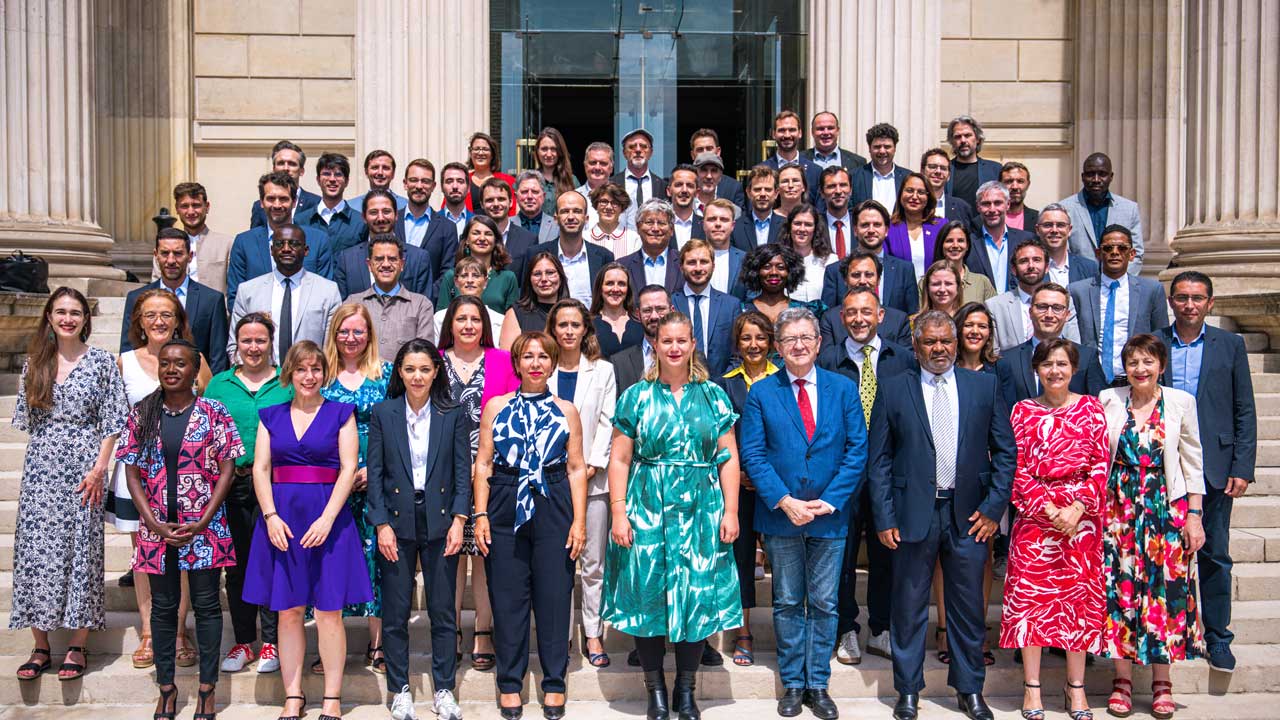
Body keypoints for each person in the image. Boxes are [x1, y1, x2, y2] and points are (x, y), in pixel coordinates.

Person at [868, 310, 1015, 720]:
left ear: (957, 344)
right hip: (912, 514)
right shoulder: (895, 389)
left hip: (968, 515)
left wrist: (993, 508)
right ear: (916, 347)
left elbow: (1006, 453)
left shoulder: (983, 386)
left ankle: (970, 690)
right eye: (929, 342)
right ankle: (908, 691)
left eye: (945, 342)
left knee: (968, 609)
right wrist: (884, 516)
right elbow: (878, 459)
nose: (938, 349)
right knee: (909, 607)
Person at [603, 311, 742, 720]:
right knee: (648, 598)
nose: (675, 348)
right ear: (656, 346)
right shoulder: (637, 396)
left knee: (696, 599)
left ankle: (685, 690)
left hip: (701, 510)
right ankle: (655, 691)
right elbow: (620, 459)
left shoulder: (714, 395)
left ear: (693, 344)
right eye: (667, 341)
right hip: (646, 507)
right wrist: (618, 513)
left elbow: (728, 458)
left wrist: (731, 510)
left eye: (682, 340)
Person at [740, 307, 867, 720]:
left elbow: (856, 451)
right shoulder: (762, 392)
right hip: (782, 515)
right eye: (790, 339)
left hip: (829, 515)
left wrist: (830, 501)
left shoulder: (844, 388)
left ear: (818, 343)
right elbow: (753, 455)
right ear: (778, 347)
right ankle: (793, 683)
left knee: (826, 602)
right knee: (789, 599)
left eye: (805, 338)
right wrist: (784, 500)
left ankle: (818, 683)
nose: (798, 345)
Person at [242, 341, 373, 720]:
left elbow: (349, 469)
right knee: (288, 611)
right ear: (290, 373)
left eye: (316, 369)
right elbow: (260, 469)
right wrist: (269, 516)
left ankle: (332, 696)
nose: (309, 376)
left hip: (328, 520)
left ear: (324, 373)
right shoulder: (271, 415)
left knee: (329, 611)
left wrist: (328, 518)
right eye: (301, 369)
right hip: (282, 521)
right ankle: (293, 695)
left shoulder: (341, 413)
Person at [118, 338, 244, 720]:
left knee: (207, 607)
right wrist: (152, 522)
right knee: (164, 608)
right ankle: (167, 689)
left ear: (194, 370)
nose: (172, 369)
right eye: (166, 363)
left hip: (203, 527)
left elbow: (228, 468)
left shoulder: (213, 411)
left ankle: (207, 690)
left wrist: (205, 517)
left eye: (181, 364)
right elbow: (132, 472)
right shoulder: (144, 412)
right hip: (158, 529)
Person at [11, 288, 127, 682]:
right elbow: (27, 422)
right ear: (49, 316)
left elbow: (114, 420)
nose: (67, 318)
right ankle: (40, 644)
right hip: (41, 469)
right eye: (60, 311)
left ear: (85, 319)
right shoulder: (34, 363)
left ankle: (77, 642)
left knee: (83, 552)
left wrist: (100, 469)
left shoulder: (102, 363)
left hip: (86, 468)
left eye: (75, 312)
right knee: (35, 553)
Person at [472, 332, 588, 719]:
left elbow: (575, 468)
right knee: (508, 597)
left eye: (543, 356)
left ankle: (554, 682)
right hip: (505, 497)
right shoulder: (495, 406)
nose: (535, 363)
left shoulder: (566, 409)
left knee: (555, 597)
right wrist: (481, 514)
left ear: (553, 363)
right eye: (527, 356)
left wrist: (580, 523)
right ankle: (510, 682)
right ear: (517, 363)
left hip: (553, 500)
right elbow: (484, 464)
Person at [1000, 338, 1109, 720]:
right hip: (1035, 519)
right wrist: (1048, 508)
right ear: (1036, 369)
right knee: (1032, 605)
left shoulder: (1092, 409)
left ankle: (1075, 687)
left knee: (1077, 605)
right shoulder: (1022, 411)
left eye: (1062, 364)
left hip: (1081, 522)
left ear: (1074, 368)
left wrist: (1077, 508)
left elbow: (1100, 464)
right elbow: (1013, 465)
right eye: (1047, 364)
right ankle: (1032, 688)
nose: (1055, 371)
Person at [1099, 334, 1206, 719]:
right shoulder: (1108, 400)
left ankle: (1163, 683)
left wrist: (1194, 515)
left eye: (1148, 362)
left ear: (1161, 365)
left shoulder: (1180, 403)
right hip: (1118, 511)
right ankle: (1122, 682)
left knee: (1165, 595)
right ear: (1124, 368)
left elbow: (1193, 462)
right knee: (1121, 593)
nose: (1140, 369)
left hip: (1166, 509)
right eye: (1133, 363)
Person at [366, 339, 473, 720]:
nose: (417, 376)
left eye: (425, 369)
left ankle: (444, 689)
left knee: (443, 612)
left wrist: (460, 521)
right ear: (399, 372)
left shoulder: (453, 412)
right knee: (395, 613)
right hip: (396, 520)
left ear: (436, 372)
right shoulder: (384, 412)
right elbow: (374, 476)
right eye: (410, 369)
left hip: (441, 520)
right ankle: (400, 690)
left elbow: (464, 473)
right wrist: (380, 524)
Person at [1158, 271, 1257, 673]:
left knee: (1214, 554)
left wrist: (1243, 466)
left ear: (1210, 303)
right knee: (1164, 556)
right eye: (1182, 297)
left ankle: (1217, 637)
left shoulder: (1230, 345)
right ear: (1171, 301)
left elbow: (1244, 409)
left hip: (1215, 468)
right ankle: (1172, 631)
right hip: (1163, 467)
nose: (1189, 305)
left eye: (1197, 298)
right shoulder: (1155, 342)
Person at [110, 288, 212, 670]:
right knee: (144, 556)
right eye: (150, 314)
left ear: (177, 320)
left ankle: (181, 632)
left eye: (166, 314)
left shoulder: (195, 362)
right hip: (138, 476)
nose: (158, 321)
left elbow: (210, 409)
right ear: (138, 321)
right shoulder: (123, 363)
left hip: (185, 478)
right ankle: (151, 632)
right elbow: (112, 420)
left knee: (182, 552)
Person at [816, 285, 917, 666]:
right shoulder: (827, 360)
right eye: (851, 313)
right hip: (839, 474)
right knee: (840, 555)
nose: (859, 319)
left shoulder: (903, 359)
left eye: (866, 312)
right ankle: (846, 629)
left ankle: (881, 627)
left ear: (881, 316)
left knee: (886, 551)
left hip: (887, 472)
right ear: (842, 319)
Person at [203, 313, 292, 674]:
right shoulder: (220, 385)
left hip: (278, 485)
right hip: (232, 485)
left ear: (271, 343)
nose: (253, 347)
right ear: (236, 345)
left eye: (260, 340)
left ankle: (271, 641)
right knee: (237, 565)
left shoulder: (287, 384)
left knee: (275, 561)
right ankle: (244, 640)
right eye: (246, 341)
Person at [309, 304, 393, 676]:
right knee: (332, 563)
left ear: (369, 334)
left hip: (378, 479)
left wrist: (371, 470)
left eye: (358, 331)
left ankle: (378, 645)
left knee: (376, 561)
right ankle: (331, 647)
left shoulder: (386, 373)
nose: (351, 338)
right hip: (329, 482)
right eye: (344, 331)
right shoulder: (321, 376)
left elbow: (395, 427)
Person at [439, 296, 521, 672]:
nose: (469, 325)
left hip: (493, 472)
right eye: (462, 319)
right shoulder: (436, 361)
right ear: (450, 324)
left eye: (475, 319)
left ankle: (483, 631)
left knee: (486, 554)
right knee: (451, 555)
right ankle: (452, 627)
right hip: (443, 475)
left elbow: (517, 411)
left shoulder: (502, 361)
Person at [544, 301, 618, 669]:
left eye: (576, 325)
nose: (569, 331)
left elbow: (608, 421)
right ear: (553, 329)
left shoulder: (602, 371)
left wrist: (591, 465)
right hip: (550, 482)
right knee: (557, 563)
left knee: (592, 562)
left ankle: (592, 632)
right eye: (563, 325)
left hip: (594, 481)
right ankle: (559, 634)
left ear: (586, 330)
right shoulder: (542, 369)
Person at [714, 311, 780, 668]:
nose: (753, 345)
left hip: (776, 485)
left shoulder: (783, 379)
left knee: (783, 559)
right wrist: (737, 474)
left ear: (771, 342)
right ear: (736, 344)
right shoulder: (725, 384)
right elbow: (720, 436)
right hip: (737, 484)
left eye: (760, 338)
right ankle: (743, 633)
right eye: (746, 338)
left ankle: (787, 630)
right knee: (740, 560)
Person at [1069, 225, 1169, 386]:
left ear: (1132, 254)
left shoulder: (1151, 290)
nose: (1115, 252)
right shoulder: (1077, 291)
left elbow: (1160, 338)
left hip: (1136, 379)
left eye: (1122, 248)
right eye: (1108, 248)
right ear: (1098, 253)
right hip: (1090, 380)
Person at [228, 223, 343, 364]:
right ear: (271, 250)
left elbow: (331, 347)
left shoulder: (328, 291)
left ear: (306, 250)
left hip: (310, 380)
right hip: (260, 381)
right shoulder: (248, 291)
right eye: (279, 244)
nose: (286, 249)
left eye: (294, 244)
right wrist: (252, 379)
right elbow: (235, 346)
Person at [126, 226, 231, 374]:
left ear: (190, 256)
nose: (171, 260)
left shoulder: (212, 300)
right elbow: (128, 347)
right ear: (156, 255)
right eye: (164, 253)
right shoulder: (136, 298)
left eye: (178, 253)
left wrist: (210, 392)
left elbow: (218, 357)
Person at [227, 171, 334, 309]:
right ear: (261, 202)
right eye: (271, 199)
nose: (277, 205)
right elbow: (235, 297)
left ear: (294, 202)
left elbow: (325, 293)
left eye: (283, 199)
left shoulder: (317, 240)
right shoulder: (244, 242)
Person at [996, 283, 1105, 407]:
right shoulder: (1007, 359)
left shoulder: (1086, 357)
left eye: (1057, 308)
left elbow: (1097, 406)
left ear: (1067, 315)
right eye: (1042, 307)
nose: (1049, 315)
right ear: (1030, 312)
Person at [514, 189, 615, 305]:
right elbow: (526, 301)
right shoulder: (535, 254)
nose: (571, 217)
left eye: (577, 211)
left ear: (586, 219)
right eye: (565, 211)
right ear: (555, 219)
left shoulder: (604, 257)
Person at [822, 201, 919, 316]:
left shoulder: (904, 270)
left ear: (886, 230)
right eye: (865, 225)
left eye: (877, 225)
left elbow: (912, 316)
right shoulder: (834, 271)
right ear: (855, 231)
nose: (871, 230)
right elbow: (828, 316)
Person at [349, 234, 435, 362]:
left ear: (402, 264)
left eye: (392, 259)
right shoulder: (353, 302)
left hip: (403, 380)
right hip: (363, 379)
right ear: (369, 265)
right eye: (379, 259)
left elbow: (424, 354)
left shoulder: (421, 305)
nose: (386, 264)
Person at [333, 192, 436, 299]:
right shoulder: (346, 259)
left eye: (386, 212)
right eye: (373, 212)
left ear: (396, 215)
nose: (380, 218)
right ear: (364, 217)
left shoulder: (419, 258)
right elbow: (342, 308)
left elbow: (424, 306)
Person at [986, 238, 1080, 353]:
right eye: (1024, 261)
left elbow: (1073, 346)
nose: (1031, 266)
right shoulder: (995, 306)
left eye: (1037, 260)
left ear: (1047, 267)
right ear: (1014, 269)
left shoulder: (1063, 301)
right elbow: (994, 354)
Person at [1057, 152, 1145, 272]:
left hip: (1117, 285)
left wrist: (1120, 281)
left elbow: (1136, 253)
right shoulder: (1064, 209)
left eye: (1102, 174)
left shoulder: (1129, 209)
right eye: (1090, 174)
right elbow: (1061, 252)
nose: (1096, 179)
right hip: (1078, 285)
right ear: (1082, 176)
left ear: (1111, 176)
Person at [672, 238, 742, 376]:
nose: (698, 268)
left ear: (713, 266)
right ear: (681, 267)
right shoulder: (671, 302)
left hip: (721, 386)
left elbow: (738, 352)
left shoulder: (731, 305)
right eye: (691, 262)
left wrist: (722, 383)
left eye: (704, 262)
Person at [437, 215, 521, 315]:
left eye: (488, 234)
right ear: (467, 240)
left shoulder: (508, 278)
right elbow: (441, 317)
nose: (482, 238)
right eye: (476, 233)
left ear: (495, 241)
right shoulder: (452, 276)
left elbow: (513, 319)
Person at [165, 181, 235, 295]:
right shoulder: (166, 246)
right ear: (177, 209)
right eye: (184, 206)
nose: (191, 211)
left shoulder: (227, 245)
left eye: (196, 205)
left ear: (207, 207)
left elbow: (234, 289)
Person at [967, 181, 1035, 293]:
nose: (992, 209)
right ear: (978, 207)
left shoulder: (1026, 240)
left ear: (1008, 204)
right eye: (986, 204)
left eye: (998, 203)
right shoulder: (968, 243)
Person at [610, 286, 674, 395]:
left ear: (672, 311)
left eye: (660, 309)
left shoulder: (692, 358)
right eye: (647, 310)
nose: (654, 316)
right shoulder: (619, 363)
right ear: (638, 314)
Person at [299, 152, 366, 255]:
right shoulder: (301, 221)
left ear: (347, 181)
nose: (332, 179)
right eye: (326, 174)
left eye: (338, 174)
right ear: (318, 180)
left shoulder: (360, 222)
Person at [499, 252, 569, 348]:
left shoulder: (573, 311)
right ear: (529, 279)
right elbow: (506, 357)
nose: (544, 279)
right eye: (537, 274)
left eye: (550, 273)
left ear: (560, 277)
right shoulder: (516, 313)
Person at [886, 173, 946, 280]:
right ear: (900, 194)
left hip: (933, 292)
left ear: (928, 197)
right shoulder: (889, 228)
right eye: (909, 190)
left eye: (921, 192)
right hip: (900, 293)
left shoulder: (941, 226)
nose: (914, 196)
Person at [248, 140, 321, 228]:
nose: (286, 168)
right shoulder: (259, 206)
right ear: (274, 168)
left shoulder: (317, 203)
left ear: (301, 171)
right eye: (281, 163)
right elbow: (255, 237)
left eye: (292, 164)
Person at [619, 198, 684, 298]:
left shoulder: (685, 262)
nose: (655, 229)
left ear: (671, 230)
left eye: (662, 223)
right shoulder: (623, 266)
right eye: (649, 222)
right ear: (638, 227)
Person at [433, 257, 508, 341]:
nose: (469, 280)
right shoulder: (440, 318)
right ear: (456, 281)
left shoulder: (499, 321)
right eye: (464, 276)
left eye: (476, 276)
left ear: (485, 281)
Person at [778, 203, 838, 305]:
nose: (802, 229)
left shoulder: (830, 260)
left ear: (815, 229)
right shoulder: (778, 260)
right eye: (797, 223)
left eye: (808, 224)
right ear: (789, 227)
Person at [741, 243, 816, 324]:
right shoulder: (741, 309)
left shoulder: (804, 310)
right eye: (767, 267)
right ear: (755, 272)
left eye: (781, 267)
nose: (774, 272)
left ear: (791, 272)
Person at [931, 220, 997, 305]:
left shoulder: (981, 282)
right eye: (949, 241)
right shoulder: (927, 281)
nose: (955, 245)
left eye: (960, 241)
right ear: (941, 245)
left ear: (967, 246)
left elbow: (995, 314)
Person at [945, 116, 1002, 209]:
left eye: (967, 135)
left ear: (978, 139)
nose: (963, 140)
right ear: (952, 142)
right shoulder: (944, 170)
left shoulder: (995, 170)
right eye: (958, 137)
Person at [1035, 203, 1099, 287]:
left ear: (1069, 230)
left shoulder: (1089, 268)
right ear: (1037, 230)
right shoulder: (1029, 267)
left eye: (1060, 225)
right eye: (1048, 225)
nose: (1054, 230)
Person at [591, 262, 645, 358]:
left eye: (621, 284)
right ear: (600, 287)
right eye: (609, 283)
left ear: (628, 289)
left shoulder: (640, 322)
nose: (616, 289)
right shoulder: (589, 325)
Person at [479, 176, 539, 262]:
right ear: (482, 204)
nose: (496, 204)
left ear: (511, 202)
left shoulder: (528, 240)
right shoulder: (473, 238)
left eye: (501, 199)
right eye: (490, 200)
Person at [852, 123, 910, 210]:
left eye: (887, 147)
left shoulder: (908, 177)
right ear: (869, 148)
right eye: (877, 147)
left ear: (895, 148)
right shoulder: (854, 177)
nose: (882, 151)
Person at [919, 148, 980, 231]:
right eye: (933, 167)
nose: (938, 171)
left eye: (943, 168)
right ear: (922, 171)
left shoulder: (962, 208)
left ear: (949, 176)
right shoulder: (911, 203)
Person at [700, 199, 750, 299]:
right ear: (703, 224)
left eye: (724, 220)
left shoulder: (746, 260)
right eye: (712, 219)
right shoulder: (690, 258)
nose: (718, 224)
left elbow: (752, 298)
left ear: (732, 226)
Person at [611, 128, 667, 216]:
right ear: (624, 153)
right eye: (632, 147)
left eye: (643, 146)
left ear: (651, 152)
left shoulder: (662, 186)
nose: (638, 150)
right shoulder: (611, 184)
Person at [732, 165, 784, 251]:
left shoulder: (786, 226)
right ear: (748, 192)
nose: (763, 194)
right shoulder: (735, 227)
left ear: (776, 193)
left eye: (767, 189)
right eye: (757, 189)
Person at [464, 132, 516, 215]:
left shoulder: (509, 181)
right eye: (476, 149)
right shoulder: (461, 181)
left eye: (485, 149)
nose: (480, 153)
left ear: (492, 154)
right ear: (471, 153)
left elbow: (512, 211)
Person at [586, 182, 640, 259]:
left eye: (615, 203)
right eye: (604, 202)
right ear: (596, 205)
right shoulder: (585, 238)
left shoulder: (634, 239)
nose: (609, 207)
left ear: (622, 207)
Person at [348, 149, 409, 213]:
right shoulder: (350, 207)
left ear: (393, 173)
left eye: (385, 168)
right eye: (375, 167)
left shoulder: (406, 206)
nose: (380, 172)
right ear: (366, 172)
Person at [535, 127, 580, 214]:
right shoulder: (529, 180)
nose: (549, 154)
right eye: (544, 149)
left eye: (553, 149)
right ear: (537, 151)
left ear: (560, 151)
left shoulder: (572, 181)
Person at [514, 170, 561, 245]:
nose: (529, 196)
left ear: (543, 196)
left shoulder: (557, 226)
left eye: (535, 192)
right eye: (525, 192)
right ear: (516, 197)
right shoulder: (507, 225)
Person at [954, 303, 1000, 374]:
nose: (975, 331)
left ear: (989, 332)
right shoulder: (946, 368)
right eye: (968, 325)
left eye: (982, 326)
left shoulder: (1000, 367)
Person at [1000, 162, 1037, 231]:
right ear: (1000, 185)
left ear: (1028, 185)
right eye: (1009, 181)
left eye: (1020, 181)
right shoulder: (984, 220)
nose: (1015, 187)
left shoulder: (1038, 219)